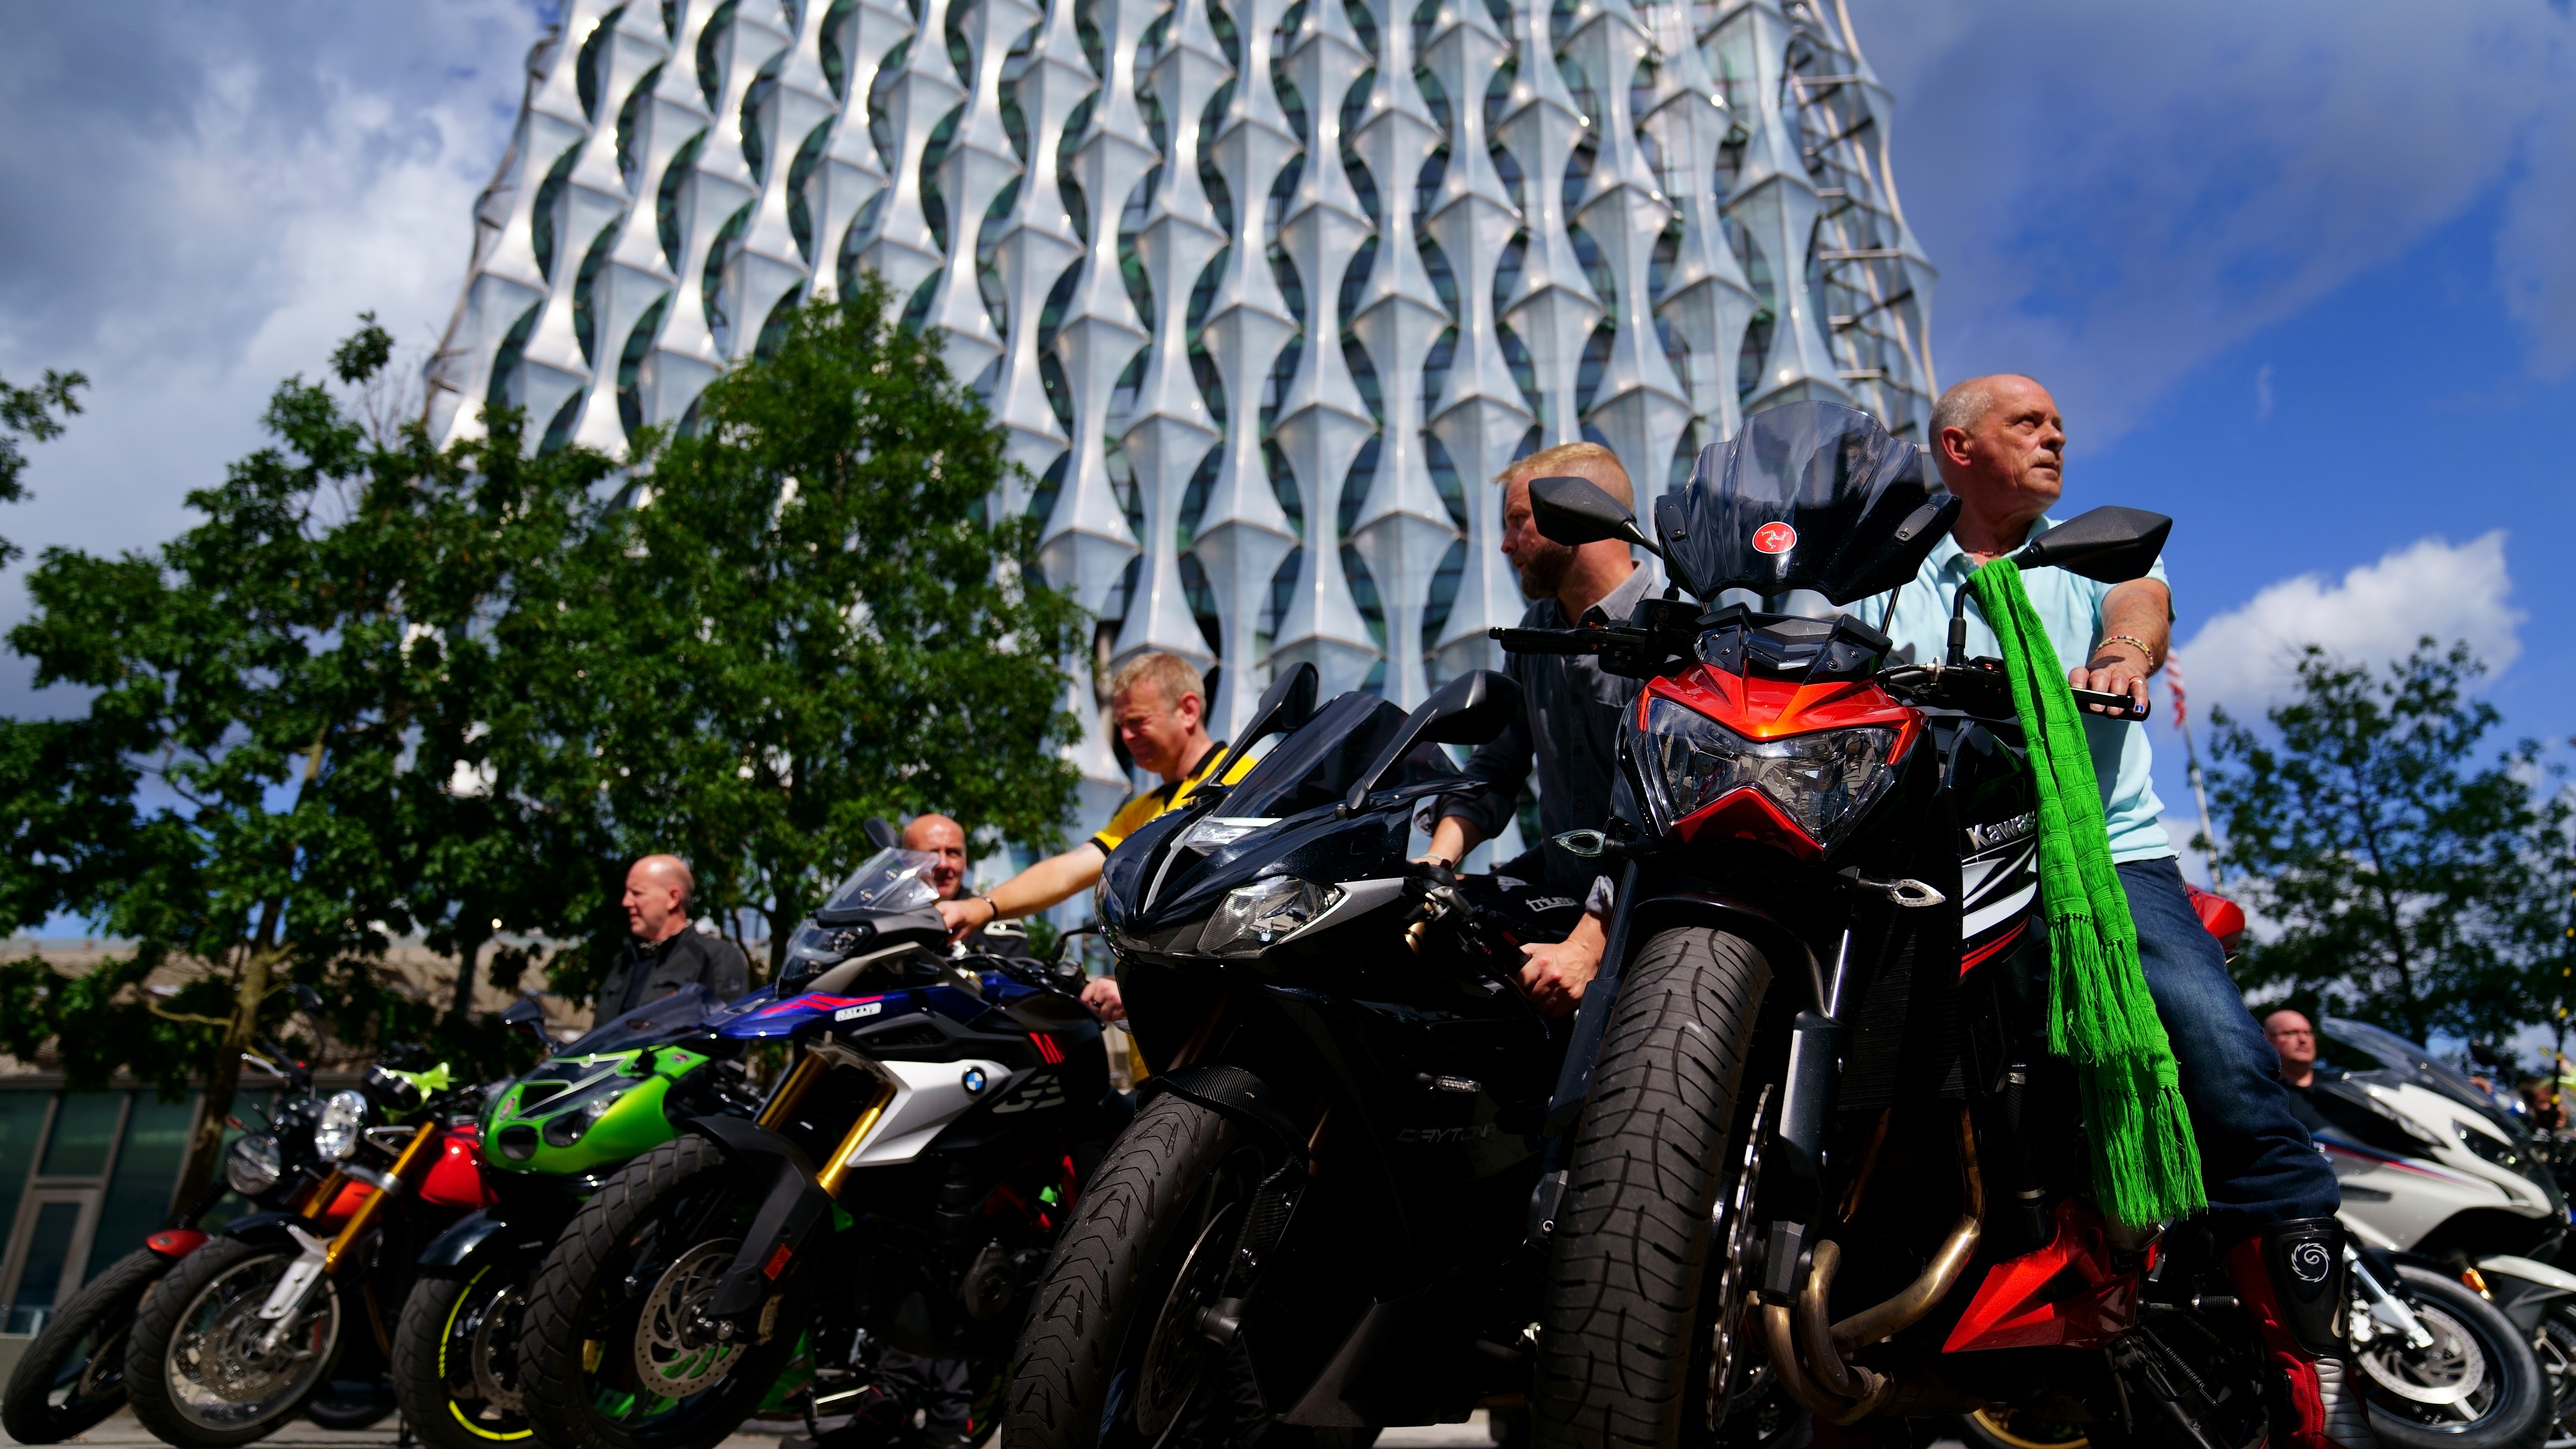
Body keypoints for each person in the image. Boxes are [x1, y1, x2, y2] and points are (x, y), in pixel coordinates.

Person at [1876, 375, 2369, 1449]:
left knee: (2225, 1057)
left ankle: (2314, 1369)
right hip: (1943, 865)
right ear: (1958, 447)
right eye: (2029, 424)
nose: (2057, 436)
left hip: (2106, 857)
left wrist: (2118, 659)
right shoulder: (1893, 577)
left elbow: (2138, 603)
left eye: (2058, 422)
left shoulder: (2097, 549)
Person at [1419, 441, 1649, 1017]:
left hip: (1646, 921)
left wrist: (1586, 945)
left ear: (1580, 516)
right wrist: (1436, 862)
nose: (1505, 545)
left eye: (1519, 521)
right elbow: (1497, 765)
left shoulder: (1671, 630)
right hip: (1563, 894)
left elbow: (1662, 820)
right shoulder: (1538, 628)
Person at [936, 652, 1256, 1022]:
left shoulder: (1246, 785)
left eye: (1137, 722)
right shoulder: (1141, 810)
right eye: (1121, 725)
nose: (1125, 736)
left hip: (1226, 1028)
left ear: (1187, 710)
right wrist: (978, 908)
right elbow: (1071, 869)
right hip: (1160, 1033)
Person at [596, 854, 750, 1018]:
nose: (626, 902)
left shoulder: (714, 958)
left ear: (673, 898)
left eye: (637, 893)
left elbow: (728, 1036)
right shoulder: (624, 961)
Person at [900, 813, 1033, 959]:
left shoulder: (993, 924)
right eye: (931, 854)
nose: (943, 864)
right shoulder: (885, 914)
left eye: (953, 853)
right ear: (906, 862)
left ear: (966, 862)